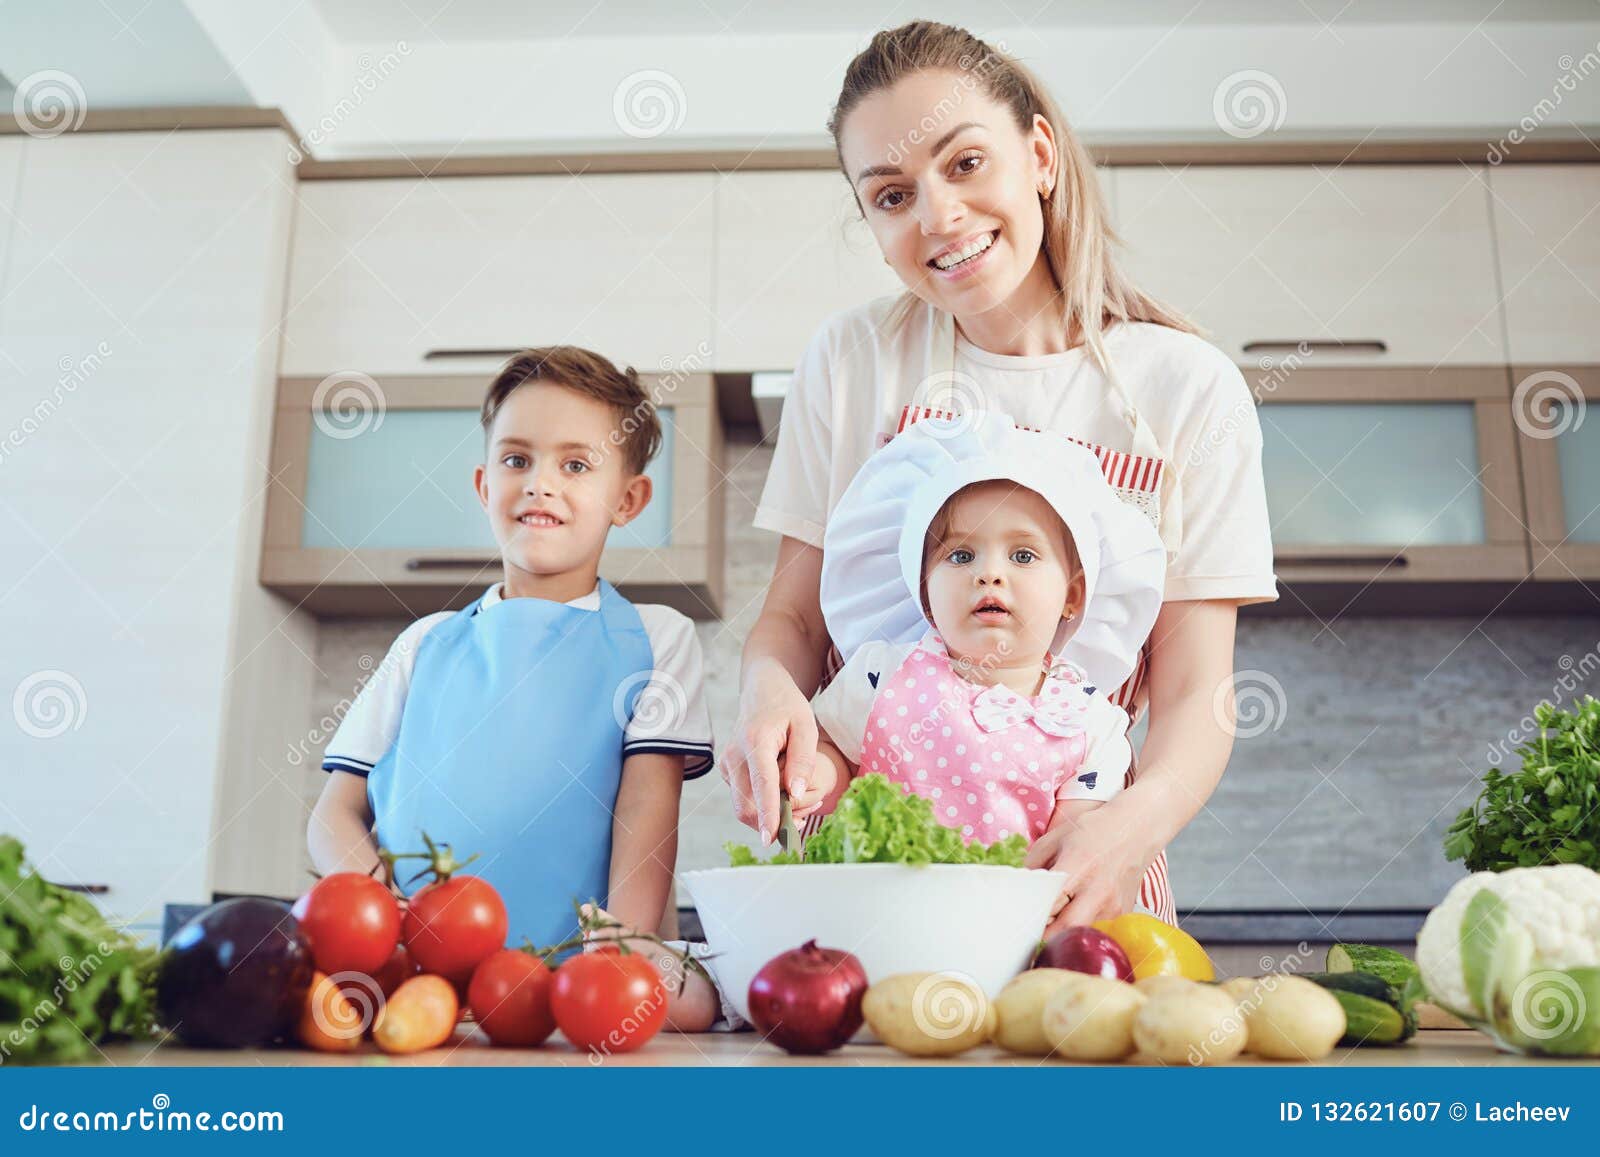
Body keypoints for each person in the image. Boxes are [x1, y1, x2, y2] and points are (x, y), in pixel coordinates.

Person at [723, 21, 1277, 926]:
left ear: (1041, 156)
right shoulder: (855, 358)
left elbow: (1194, 694)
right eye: (893, 195)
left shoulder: (1184, 387)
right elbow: (789, 618)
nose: (937, 216)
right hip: (860, 879)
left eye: (966, 164)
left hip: (1077, 869)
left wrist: (1128, 825)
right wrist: (765, 689)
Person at [308, 347, 714, 949]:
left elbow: (648, 816)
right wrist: (382, 917)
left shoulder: (658, 638)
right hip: (417, 978)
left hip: (574, 989)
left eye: (576, 466)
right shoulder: (422, 645)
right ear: (484, 484)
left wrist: (623, 953)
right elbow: (333, 815)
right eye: (517, 459)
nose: (540, 484)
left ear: (627, 500)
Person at [794, 415, 1165, 918]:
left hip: (1010, 934)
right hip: (877, 920)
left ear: (1072, 596)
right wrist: (816, 773)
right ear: (924, 593)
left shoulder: (1092, 724)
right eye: (962, 555)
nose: (989, 573)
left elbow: (1072, 843)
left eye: (1024, 555)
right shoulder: (882, 675)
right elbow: (833, 746)